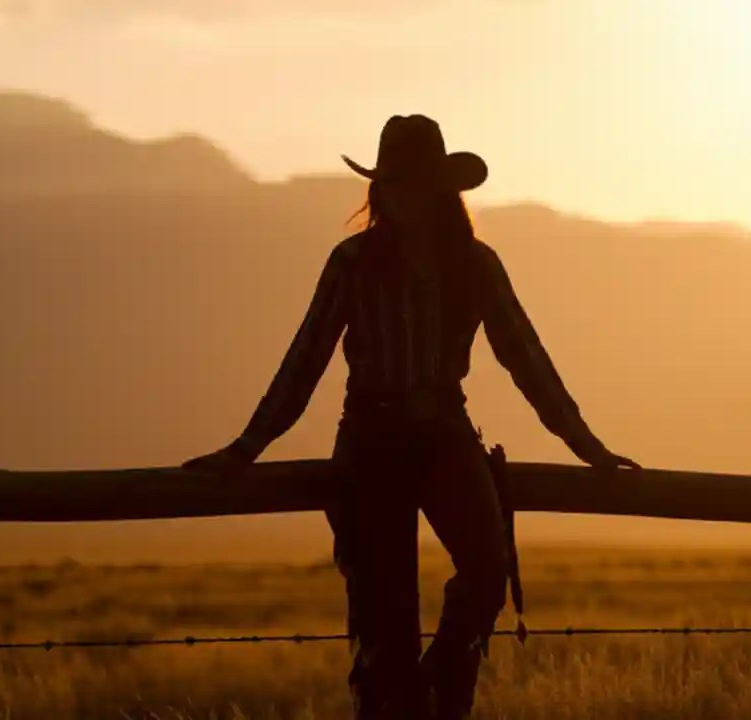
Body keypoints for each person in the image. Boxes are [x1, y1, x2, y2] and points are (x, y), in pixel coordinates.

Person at [183, 115, 638, 720]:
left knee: (485, 570)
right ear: (383, 192)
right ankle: (407, 699)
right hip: (371, 437)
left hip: (444, 431)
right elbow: (304, 362)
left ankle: (434, 696)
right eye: (397, 185)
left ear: (440, 190)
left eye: (418, 185)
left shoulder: (475, 265)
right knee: (385, 618)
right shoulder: (352, 263)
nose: (406, 198)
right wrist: (245, 448)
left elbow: (528, 360)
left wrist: (588, 446)